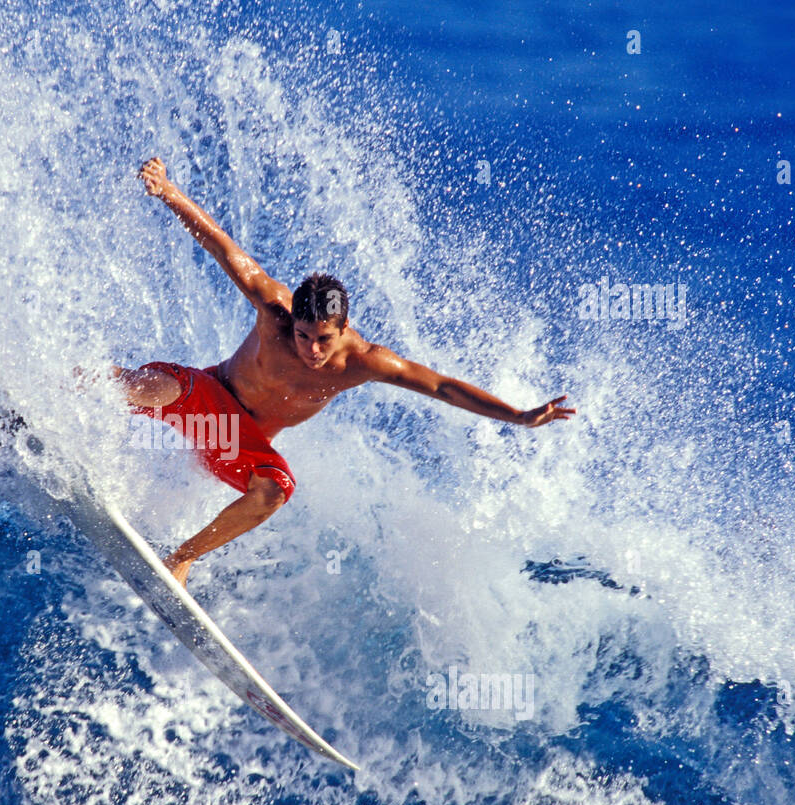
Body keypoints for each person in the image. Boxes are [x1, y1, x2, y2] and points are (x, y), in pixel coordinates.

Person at [117, 157, 575, 589]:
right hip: (206, 397)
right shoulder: (273, 309)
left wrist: (517, 416)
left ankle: (181, 558)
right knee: (158, 386)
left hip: (236, 443)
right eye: (302, 337)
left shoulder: (366, 361)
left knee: (276, 489)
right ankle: (75, 384)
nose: (312, 350)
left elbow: (441, 386)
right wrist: (169, 192)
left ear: (344, 329)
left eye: (323, 340)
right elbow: (221, 244)